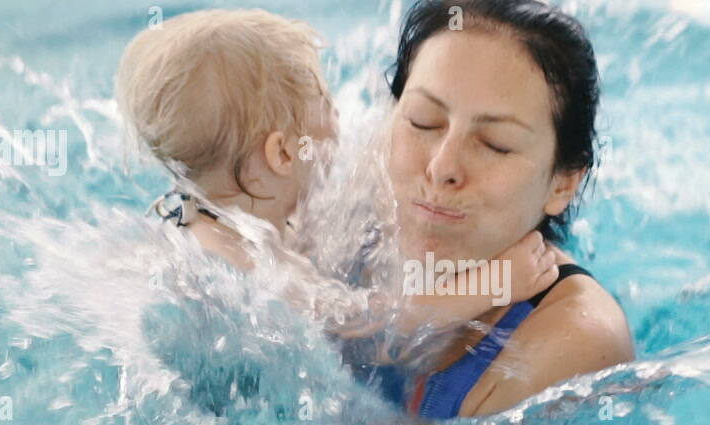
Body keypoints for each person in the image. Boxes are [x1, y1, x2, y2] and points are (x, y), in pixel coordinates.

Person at [115, 8, 559, 340]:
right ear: (284, 153)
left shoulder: (199, 217)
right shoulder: (249, 266)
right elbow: (365, 322)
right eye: (326, 105)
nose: (339, 118)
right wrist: (487, 286)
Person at [385, 0, 635, 418]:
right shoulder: (343, 218)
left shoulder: (579, 337)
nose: (442, 167)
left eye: (495, 144)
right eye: (423, 121)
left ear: (562, 183)